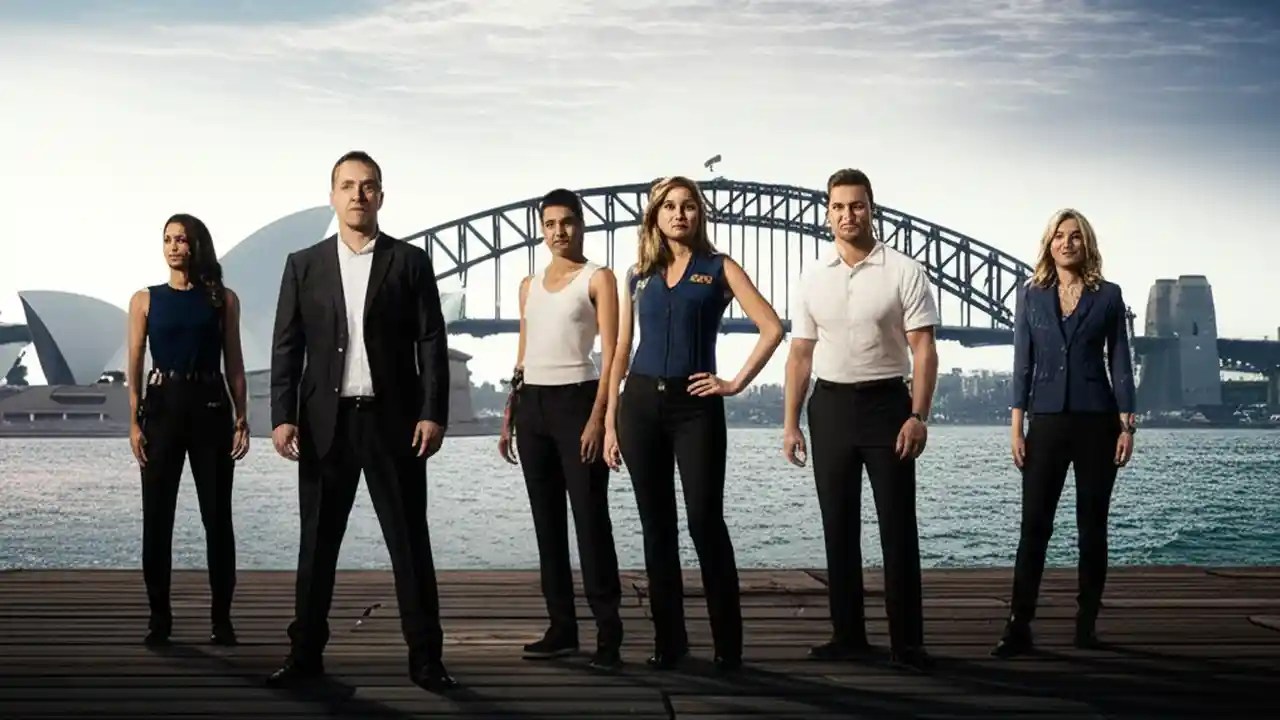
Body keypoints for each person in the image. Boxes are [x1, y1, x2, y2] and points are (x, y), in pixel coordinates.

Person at [266, 150, 457, 692]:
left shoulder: (411, 262)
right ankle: (304, 655)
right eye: (347, 185)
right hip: (324, 425)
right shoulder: (303, 264)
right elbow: (286, 347)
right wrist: (282, 417)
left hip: (393, 423)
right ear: (333, 195)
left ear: (381, 195)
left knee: (410, 546)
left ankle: (426, 660)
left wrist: (432, 413)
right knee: (316, 547)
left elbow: (432, 344)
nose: (357, 194)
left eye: (367, 185)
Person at [603, 175, 784, 671]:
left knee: (705, 523)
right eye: (669, 207)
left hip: (695, 406)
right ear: (655, 216)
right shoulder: (637, 275)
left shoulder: (719, 267)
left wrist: (734, 382)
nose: (679, 214)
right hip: (638, 404)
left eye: (688, 206)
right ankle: (671, 644)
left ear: (699, 215)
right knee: (656, 529)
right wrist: (610, 422)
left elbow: (772, 327)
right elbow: (620, 348)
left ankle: (728, 648)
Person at [781, 168, 938, 671]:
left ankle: (907, 643)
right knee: (838, 528)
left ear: (873, 208)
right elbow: (800, 355)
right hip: (828, 408)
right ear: (827, 213)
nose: (849, 215)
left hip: (887, 406)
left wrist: (918, 415)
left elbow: (924, 349)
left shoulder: (904, 271)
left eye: (858, 205)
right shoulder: (811, 276)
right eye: (839, 206)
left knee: (897, 527)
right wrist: (790, 424)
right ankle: (848, 635)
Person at [992, 208, 1136, 658]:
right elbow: (1022, 363)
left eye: (1075, 236)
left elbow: (1121, 363)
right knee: (1034, 526)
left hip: (1098, 422)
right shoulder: (1030, 296)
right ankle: (1019, 625)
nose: (1067, 242)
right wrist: (1017, 426)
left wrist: (1128, 424)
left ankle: (1086, 625)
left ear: (1086, 244)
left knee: (1092, 529)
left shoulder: (1109, 297)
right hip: (1046, 423)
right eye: (1059, 236)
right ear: (1048, 244)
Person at [497, 188, 625, 671]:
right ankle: (561, 627)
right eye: (549, 223)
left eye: (567, 222)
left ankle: (608, 629)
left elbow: (611, 355)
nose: (558, 231)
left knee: (591, 521)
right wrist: (511, 414)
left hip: (578, 401)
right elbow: (523, 353)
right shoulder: (528, 286)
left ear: (582, 224)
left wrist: (599, 418)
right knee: (546, 524)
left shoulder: (599, 278)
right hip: (532, 406)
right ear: (541, 228)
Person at [126, 213, 249, 647]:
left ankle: (222, 619)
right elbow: (135, 364)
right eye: (168, 240)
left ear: (197, 246)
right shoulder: (145, 299)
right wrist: (134, 423)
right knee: (156, 519)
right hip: (161, 410)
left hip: (211, 408)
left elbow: (233, 362)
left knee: (218, 518)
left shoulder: (223, 299)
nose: (175, 246)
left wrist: (241, 417)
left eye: (182, 239)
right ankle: (159, 618)